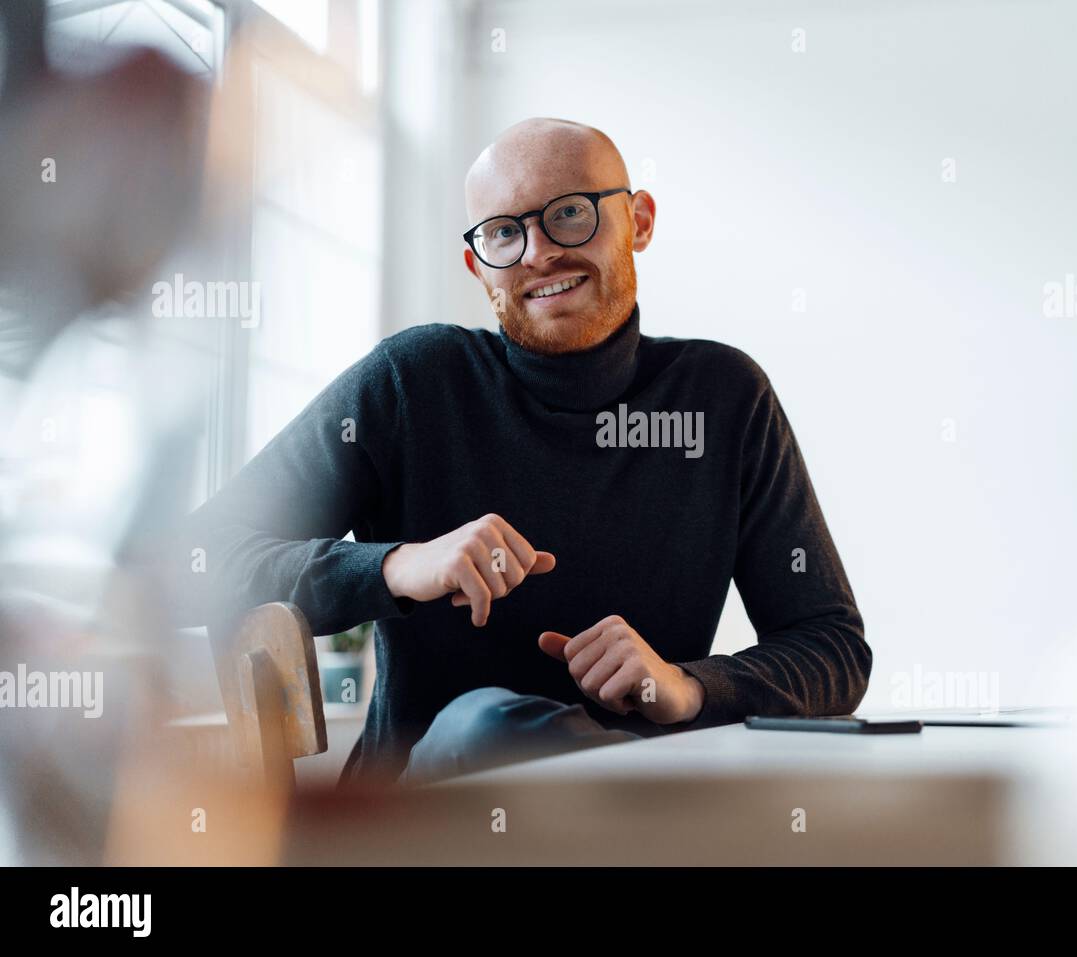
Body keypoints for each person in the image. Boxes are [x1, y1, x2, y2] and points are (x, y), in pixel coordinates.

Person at [186, 117, 872, 787]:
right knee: (485, 727)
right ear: (477, 266)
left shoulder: (725, 397)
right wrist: (397, 565)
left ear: (639, 221)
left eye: (570, 213)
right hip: (417, 830)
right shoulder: (414, 381)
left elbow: (833, 645)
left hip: (632, 816)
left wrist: (690, 686)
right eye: (503, 233)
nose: (539, 252)